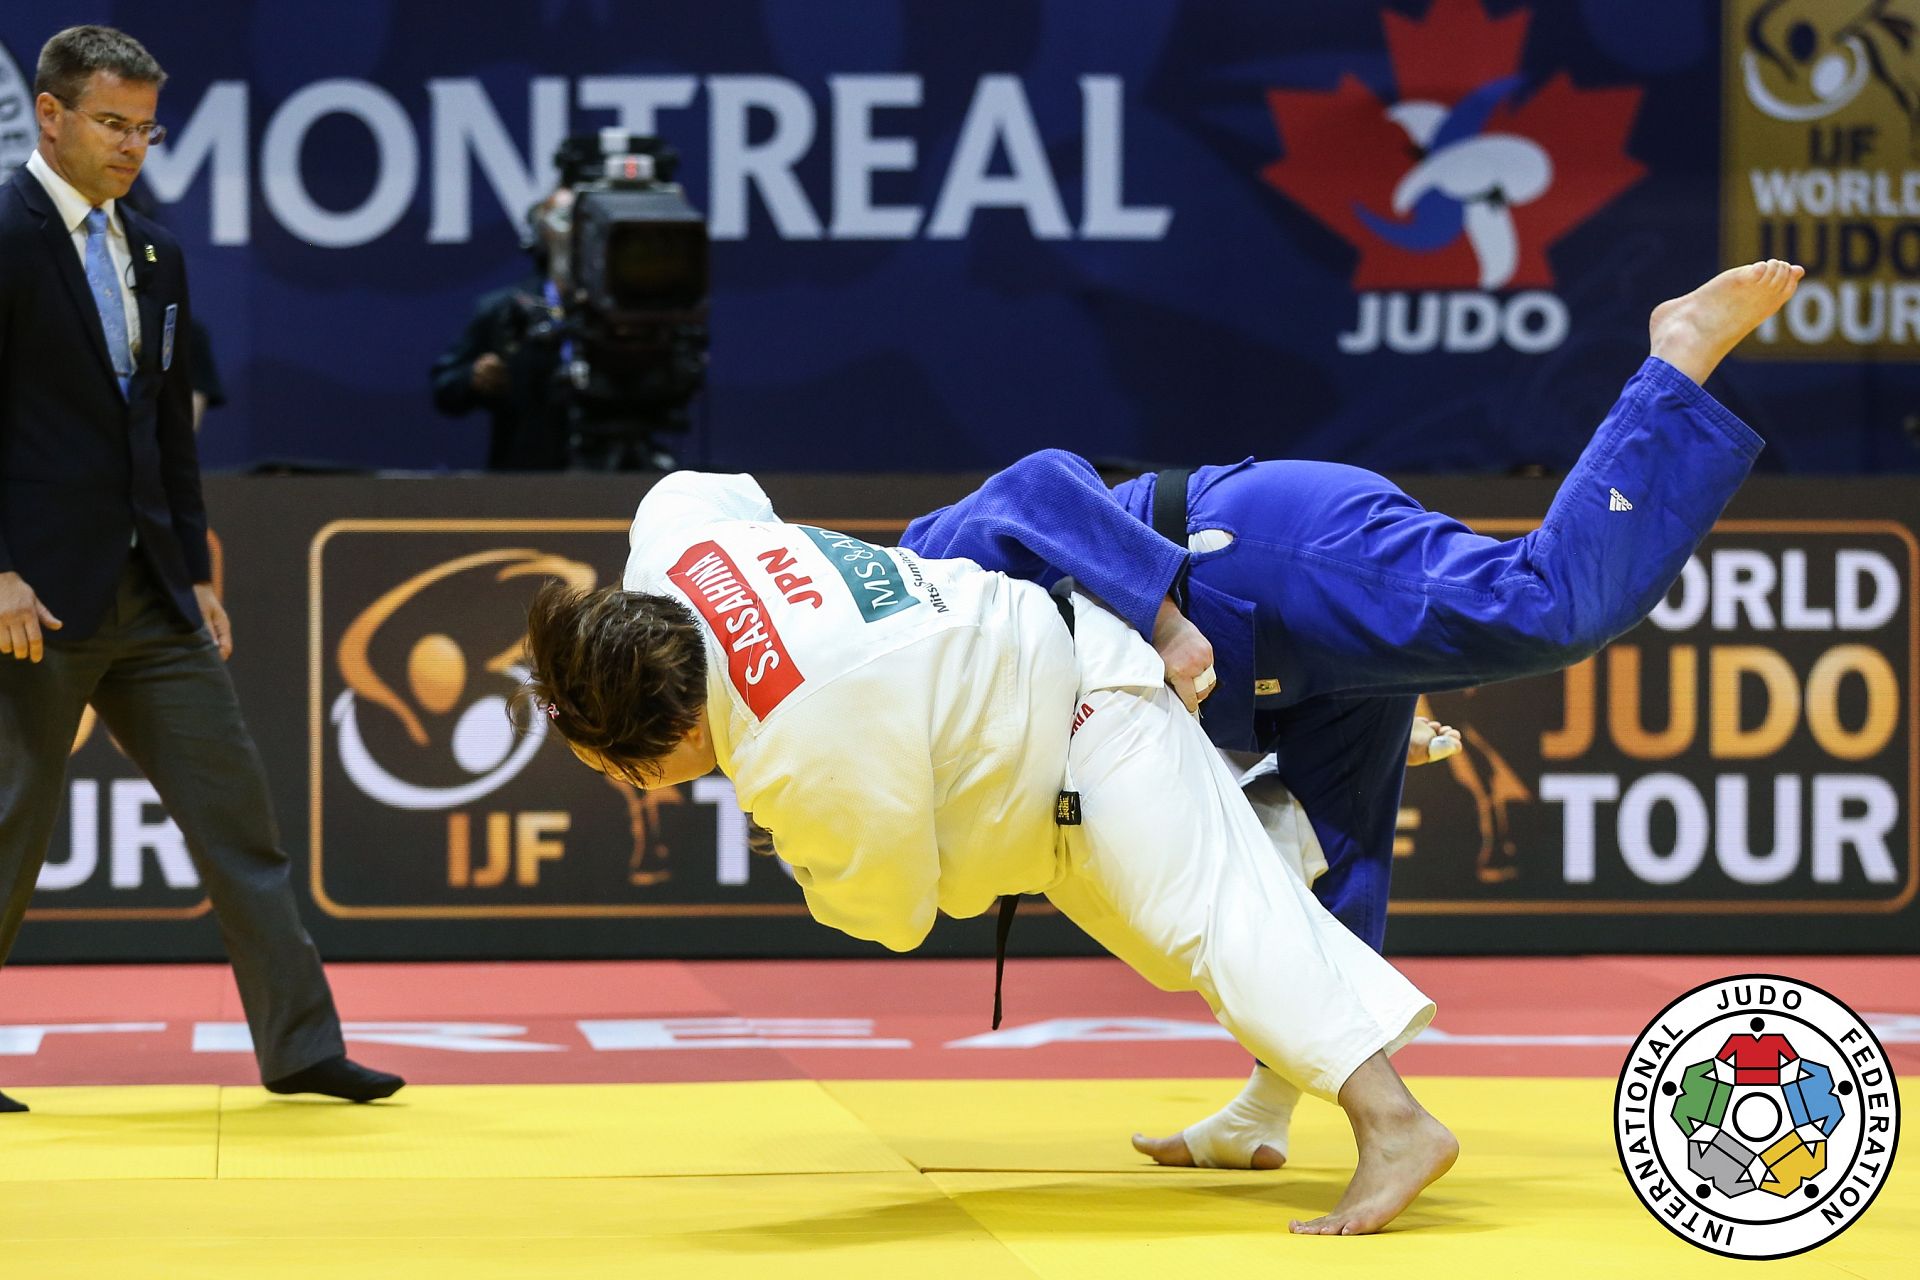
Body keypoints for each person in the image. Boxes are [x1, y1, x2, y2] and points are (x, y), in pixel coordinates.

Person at [900, 260, 1804, 1168]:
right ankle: (1265, 1111)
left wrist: (1167, 622)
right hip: (1268, 655)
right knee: (1321, 859)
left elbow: (1038, 484)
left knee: (1545, 604)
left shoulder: (894, 590)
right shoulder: (922, 740)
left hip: (1245, 554)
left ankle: (1675, 360)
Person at [518, 470, 1458, 1236]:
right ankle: (1289, 799)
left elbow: (892, 913)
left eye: (625, 769)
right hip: (1047, 734)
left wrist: (794, 849)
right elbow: (692, 487)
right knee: (1177, 935)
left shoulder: (795, 747)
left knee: (1208, 922)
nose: (629, 785)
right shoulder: (680, 550)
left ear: (680, 730)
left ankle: (1395, 1124)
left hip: (1088, 729)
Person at [0, 25, 402, 1113]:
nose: (133, 146)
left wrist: (196, 567)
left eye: (146, 127)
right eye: (111, 124)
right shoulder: (2, 230)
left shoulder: (155, 253)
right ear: (50, 115)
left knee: (242, 824)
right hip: (31, 599)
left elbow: (162, 434)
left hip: (152, 590)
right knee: (7, 826)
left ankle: (302, 1047)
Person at [429, 188, 572, 471]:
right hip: (525, 482)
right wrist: (474, 377)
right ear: (540, 230)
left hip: (624, 481)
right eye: (566, 217)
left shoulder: (637, 313)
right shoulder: (504, 309)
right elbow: (444, 387)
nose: (578, 229)